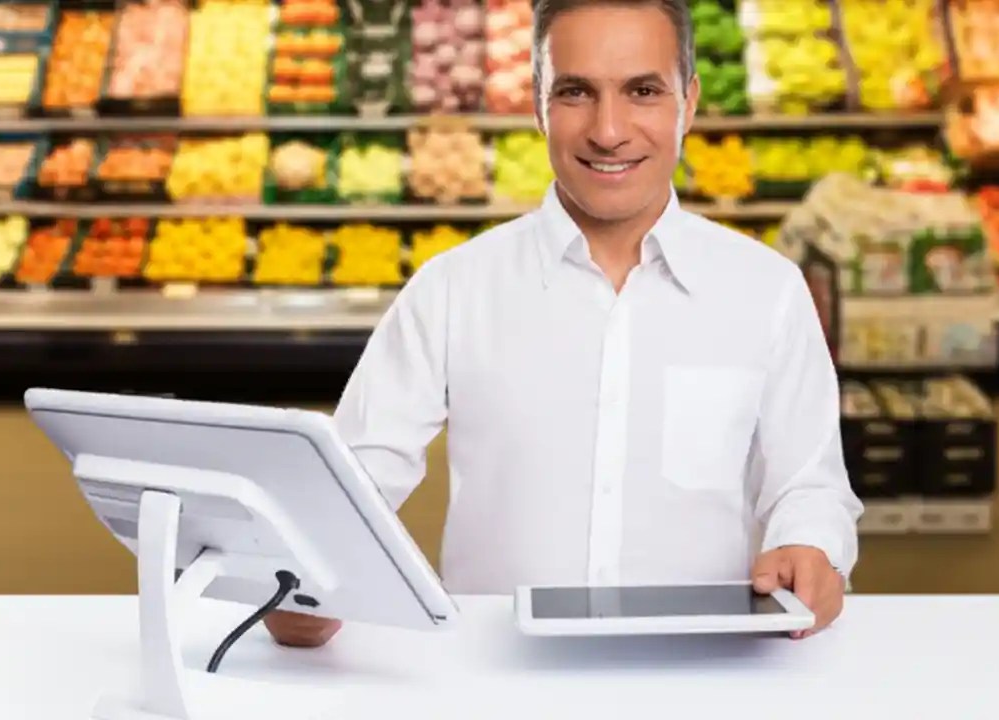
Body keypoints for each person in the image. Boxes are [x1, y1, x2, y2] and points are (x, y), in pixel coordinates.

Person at [264, 0, 863, 648]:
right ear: (538, 104)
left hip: (701, 675)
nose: (609, 130)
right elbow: (355, 480)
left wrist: (812, 546)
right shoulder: (454, 288)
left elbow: (809, 484)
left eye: (643, 91)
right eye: (576, 92)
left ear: (688, 102)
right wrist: (304, 578)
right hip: (490, 680)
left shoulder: (765, 290)